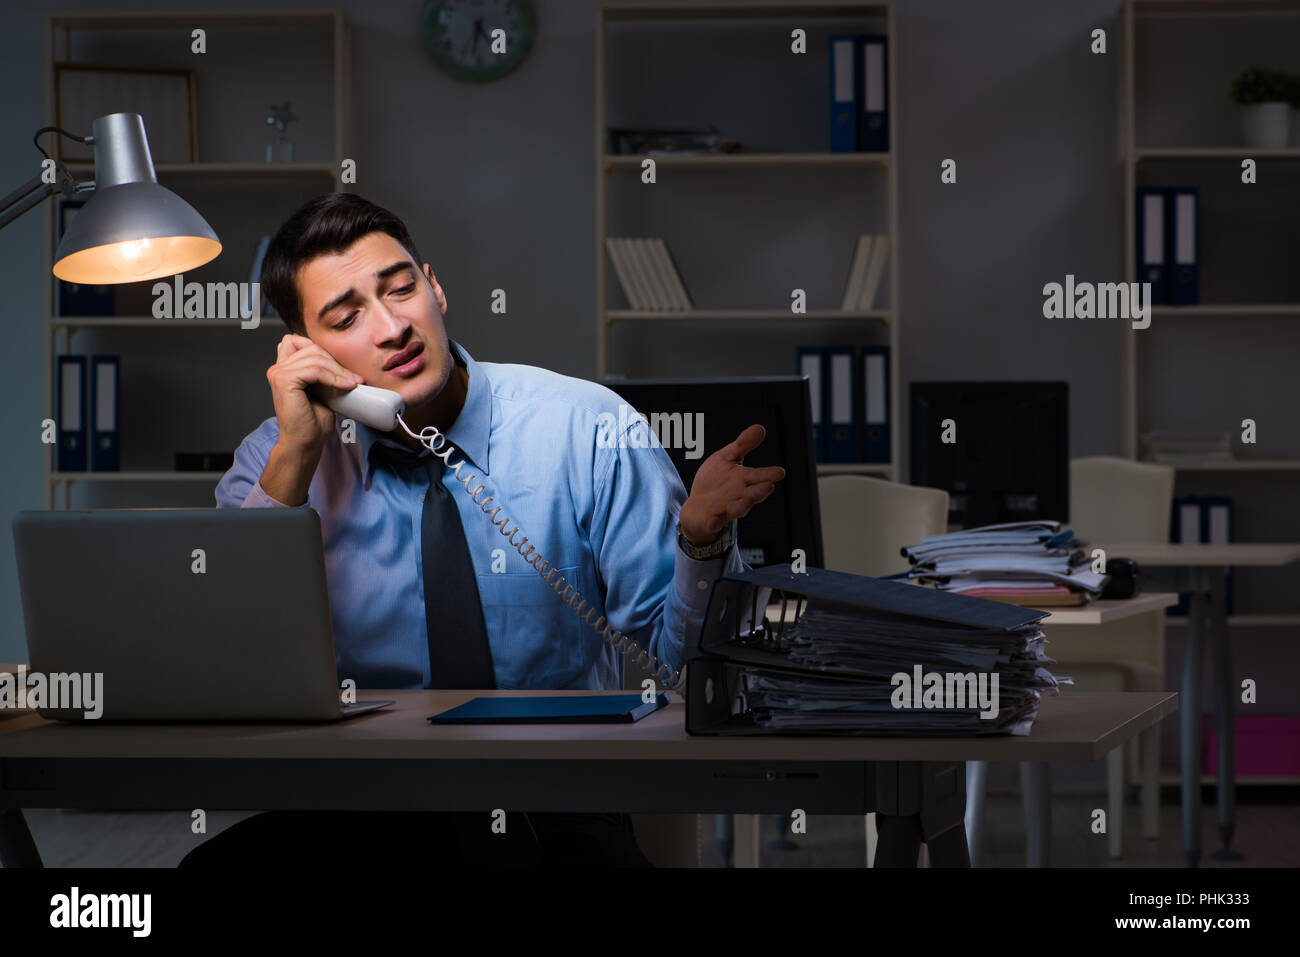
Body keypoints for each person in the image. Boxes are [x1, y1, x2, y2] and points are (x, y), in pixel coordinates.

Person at [179, 192, 785, 868]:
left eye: (401, 289)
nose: (390, 327)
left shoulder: (586, 428)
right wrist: (298, 457)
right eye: (348, 317)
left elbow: (686, 665)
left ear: (435, 288)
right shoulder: (273, 461)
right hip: (360, 810)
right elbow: (232, 662)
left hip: (553, 806)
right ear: (304, 351)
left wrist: (699, 543)